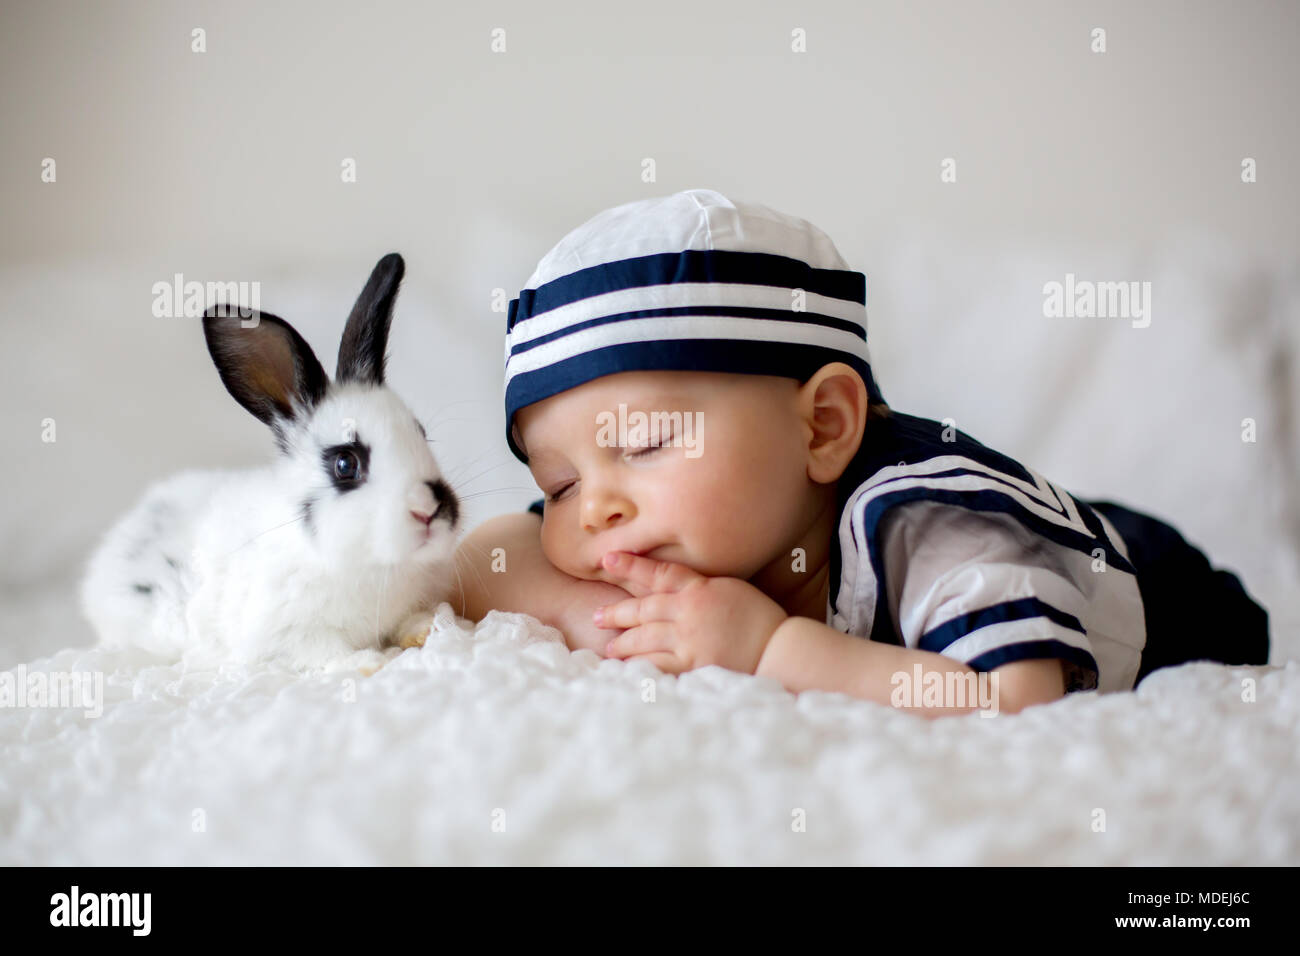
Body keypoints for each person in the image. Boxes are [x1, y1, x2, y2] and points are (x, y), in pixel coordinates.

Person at [453, 188, 1270, 717]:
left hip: (1157, 592)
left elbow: (1016, 700)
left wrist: (770, 650)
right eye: (558, 483)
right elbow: (488, 559)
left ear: (822, 427)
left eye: (646, 443)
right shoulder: (648, 529)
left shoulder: (929, 528)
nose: (595, 507)